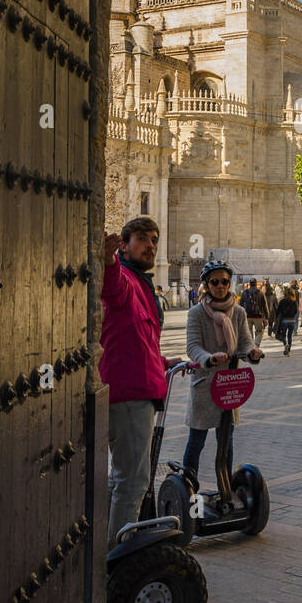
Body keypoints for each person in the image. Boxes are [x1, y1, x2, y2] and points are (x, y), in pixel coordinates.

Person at [101, 217, 177, 548]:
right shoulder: (126, 280)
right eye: (143, 239)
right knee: (133, 482)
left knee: (121, 480)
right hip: (130, 395)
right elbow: (113, 288)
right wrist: (108, 261)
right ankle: (120, 560)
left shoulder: (142, 285)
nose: (150, 245)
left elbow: (140, 341)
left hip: (138, 387)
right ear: (125, 244)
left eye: (154, 240)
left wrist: (163, 363)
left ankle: (107, 547)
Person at [184, 262, 263, 480]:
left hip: (230, 384)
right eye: (215, 282)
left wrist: (253, 351)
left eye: (224, 282)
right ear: (207, 285)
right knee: (196, 441)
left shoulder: (238, 312)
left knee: (226, 442)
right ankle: (188, 486)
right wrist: (208, 358)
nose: (220, 286)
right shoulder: (196, 313)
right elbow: (192, 346)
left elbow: (245, 342)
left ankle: (225, 488)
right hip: (205, 385)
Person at [240, 277, 268, 346]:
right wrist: (266, 317)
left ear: (249, 284)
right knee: (259, 331)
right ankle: (256, 345)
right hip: (258, 316)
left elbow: (240, 304)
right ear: (256, 284)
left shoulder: (245, 292)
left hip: (247, 316)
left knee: (249, 332)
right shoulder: (260, 292)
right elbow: (265, 306)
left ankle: (251, 346)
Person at [273, 285, 298, 354]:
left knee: (283, 335)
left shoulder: (282, 301)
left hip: (284, 320)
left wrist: (277, 318)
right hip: (292, 320)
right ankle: (289, 348)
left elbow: (278, 311)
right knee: (289, 335)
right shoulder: (294, 302)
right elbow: (296, 311)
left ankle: (285, 345)